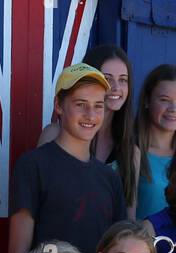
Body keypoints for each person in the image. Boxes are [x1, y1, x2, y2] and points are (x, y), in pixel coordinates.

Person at [9, 63, 125, 253]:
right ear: (59, 106)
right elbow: (17, 252)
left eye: (98, 106)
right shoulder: (33, 165)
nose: (90, 115)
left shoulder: (109, 178)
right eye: (80, 104)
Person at [39, 44, 133, 175]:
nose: (116, 87)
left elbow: (130, 196)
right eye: (107, 78)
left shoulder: (131, 151)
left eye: (123, 80)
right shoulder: (54, 135)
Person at [130, 64, 176, 220]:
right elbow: (126, 220)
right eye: (165, 100)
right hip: (145, 242)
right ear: (147, 101)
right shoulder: (131, 152)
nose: (174, 108)